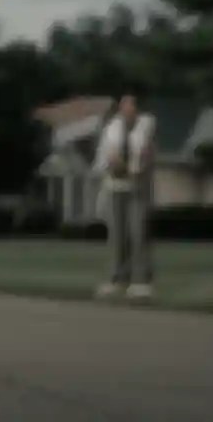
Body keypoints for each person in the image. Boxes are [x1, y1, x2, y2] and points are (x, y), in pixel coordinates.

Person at [91, 93, 156, 302]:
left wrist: (135, 167)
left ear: (137, 109)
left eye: (130, 106)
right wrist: (111, 162)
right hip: (115, 186)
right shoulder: (111, 129)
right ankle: (117, 279)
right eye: (123, 106)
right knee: (117, 235)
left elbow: (146, 155)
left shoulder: (147, 126)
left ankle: (142, 281)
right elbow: (102, 157)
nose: (126, 110)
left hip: (137, 187)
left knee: (138, 232)